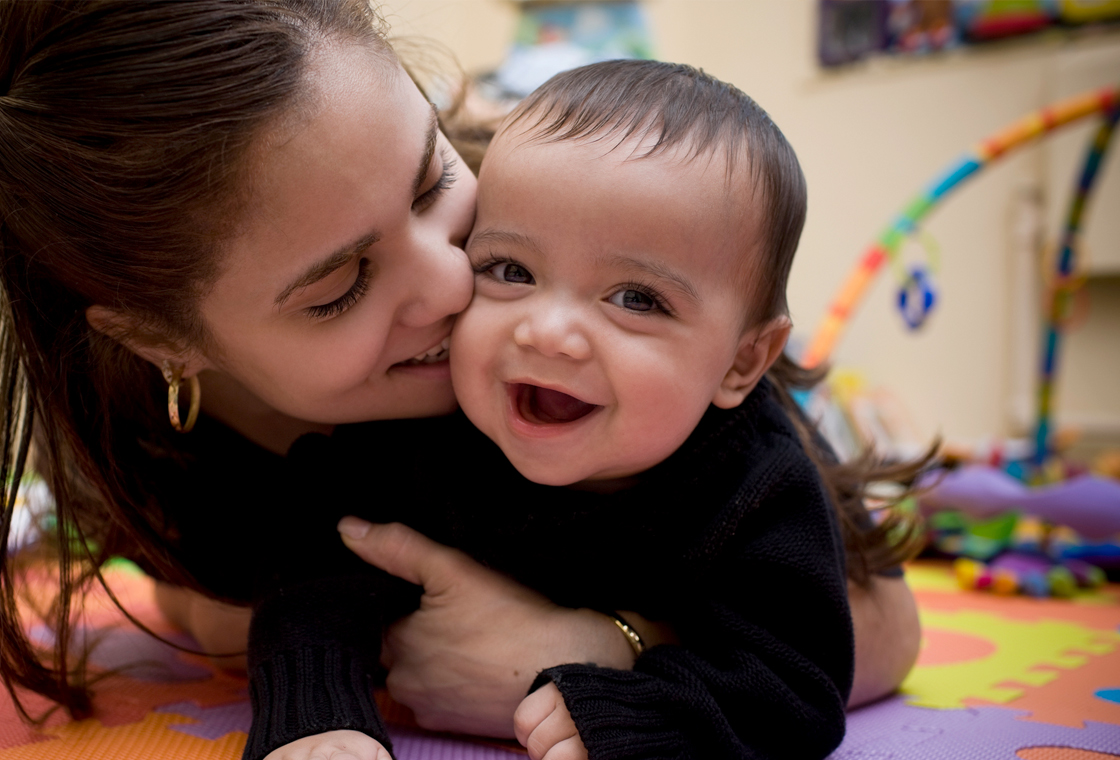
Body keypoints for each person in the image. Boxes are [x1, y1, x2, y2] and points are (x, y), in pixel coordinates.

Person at [0, 0, 921, 755]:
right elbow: (190, 588)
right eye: (338, 286)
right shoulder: (132, 432)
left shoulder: (557, 208)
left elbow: (874, 624)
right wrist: (279, 636)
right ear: (164, 342)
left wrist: (599, 647)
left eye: (428, 184)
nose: (455, 280)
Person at [216, 60, 933, 760]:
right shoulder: (415, 434)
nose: (549, 332)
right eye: (510, 271)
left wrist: (634, 706)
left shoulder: (757, 489)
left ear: (744, 360)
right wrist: (315, 716)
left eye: (637, 300)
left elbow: (794, 685)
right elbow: (308, 571)